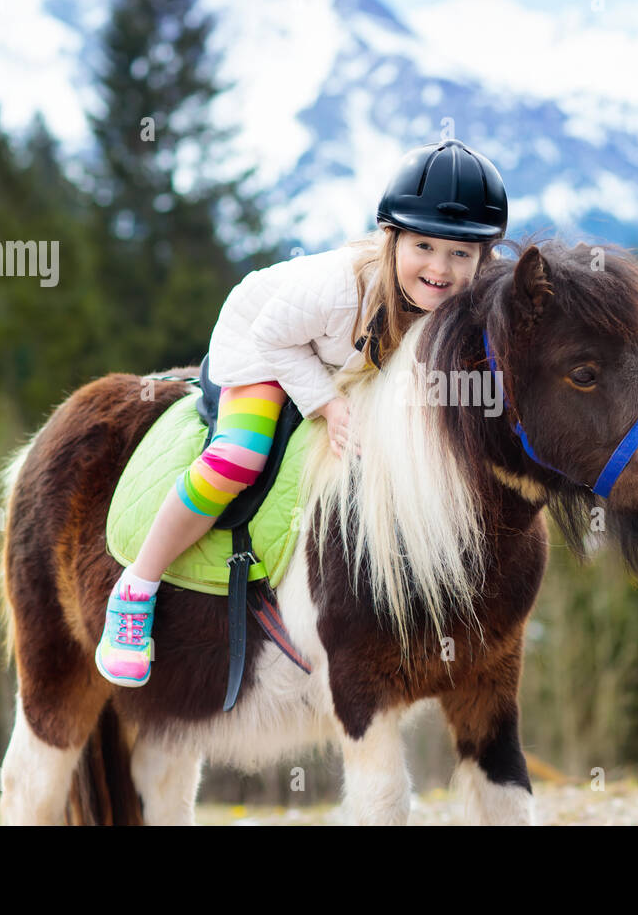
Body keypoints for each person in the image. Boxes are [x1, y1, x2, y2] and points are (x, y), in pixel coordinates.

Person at [95, 139, 509, 686]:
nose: (440, 268)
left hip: (337, 357)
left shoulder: (468, 302)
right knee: (239, 457)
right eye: (425, 246)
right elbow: (274, 339)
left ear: (485, 258)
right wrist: (328, 406)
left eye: (461, 253)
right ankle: (137, 588)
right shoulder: (339, 289)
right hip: (264, 342)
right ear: (391, 239)